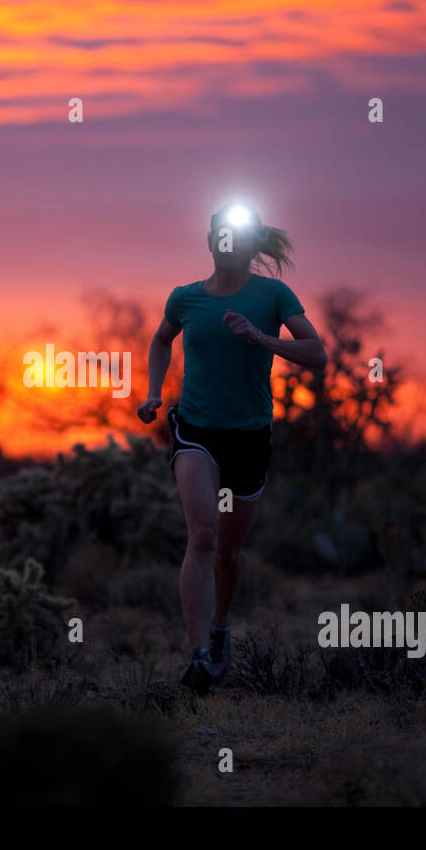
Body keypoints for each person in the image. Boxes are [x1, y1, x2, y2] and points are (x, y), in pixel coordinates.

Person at [137, 202, 327, 695]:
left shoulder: (272, 295)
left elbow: (317, 354)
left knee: (227, 549)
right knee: (201, 537)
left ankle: (220, 625)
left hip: (249, 435)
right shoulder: (184, 299)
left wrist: (261, 338)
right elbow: (161, 341)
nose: (229, 243)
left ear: (250, 244)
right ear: (211, 240)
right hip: (196, 430)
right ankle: (199, 656)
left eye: (239, 236)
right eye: (221, 233)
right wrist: (156, 391)